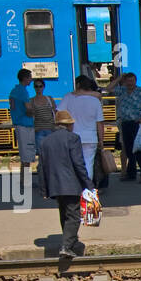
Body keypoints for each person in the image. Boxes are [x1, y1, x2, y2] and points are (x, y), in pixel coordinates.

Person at [36, 109, 95, 268]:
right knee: (74, 216)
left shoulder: (45, 141)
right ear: (69, 125)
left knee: (64, 213)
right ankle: (66, 246)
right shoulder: (73, 138)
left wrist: (43, 189)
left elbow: (40, 167)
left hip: (54, 185)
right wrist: (88, 184)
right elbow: (78, 163)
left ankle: (69, 240)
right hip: (70, 184)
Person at [108, 70, 141, 182]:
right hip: (125, 123)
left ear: (135, 81)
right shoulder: (122, 91)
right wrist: (119, 78)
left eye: (132, 81)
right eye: (128, 81)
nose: (130, 83)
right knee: (129, 150)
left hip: (136, 123)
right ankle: (131, 174)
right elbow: (108, 89)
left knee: (140, 149)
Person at [57, 76, 105, 180]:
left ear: (78, 85)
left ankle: (75, 187)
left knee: (74, 163)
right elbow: (100, 123)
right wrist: (101, 139)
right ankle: (86, 189)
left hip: (72, 135)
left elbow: (59, 113)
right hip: (91, 137)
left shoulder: (68, 97)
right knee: (88, 163)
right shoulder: (95, 101)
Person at [9, 68, 36, 169]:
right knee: (27, 157)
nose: (31, 80)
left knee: (24, 156)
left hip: (19, 123)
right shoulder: (23, 91)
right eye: (30, 78)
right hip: (25, 126)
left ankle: (24, 180)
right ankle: (26, 182)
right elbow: (28, 109)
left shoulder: (14, 90)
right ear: (25, 78)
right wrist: (33, 113)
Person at [25, 79, 58, 155]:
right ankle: (42, 167)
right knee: (42, 155)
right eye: (36, 86)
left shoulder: (49, 99)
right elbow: (29, 115)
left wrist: (56, 125)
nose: (38, 88)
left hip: (51, 130)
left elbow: (55, 112)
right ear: (34, 88)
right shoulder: (31, 101)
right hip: (39, 130)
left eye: (40, 86)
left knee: (52, 154)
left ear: (44, 87)